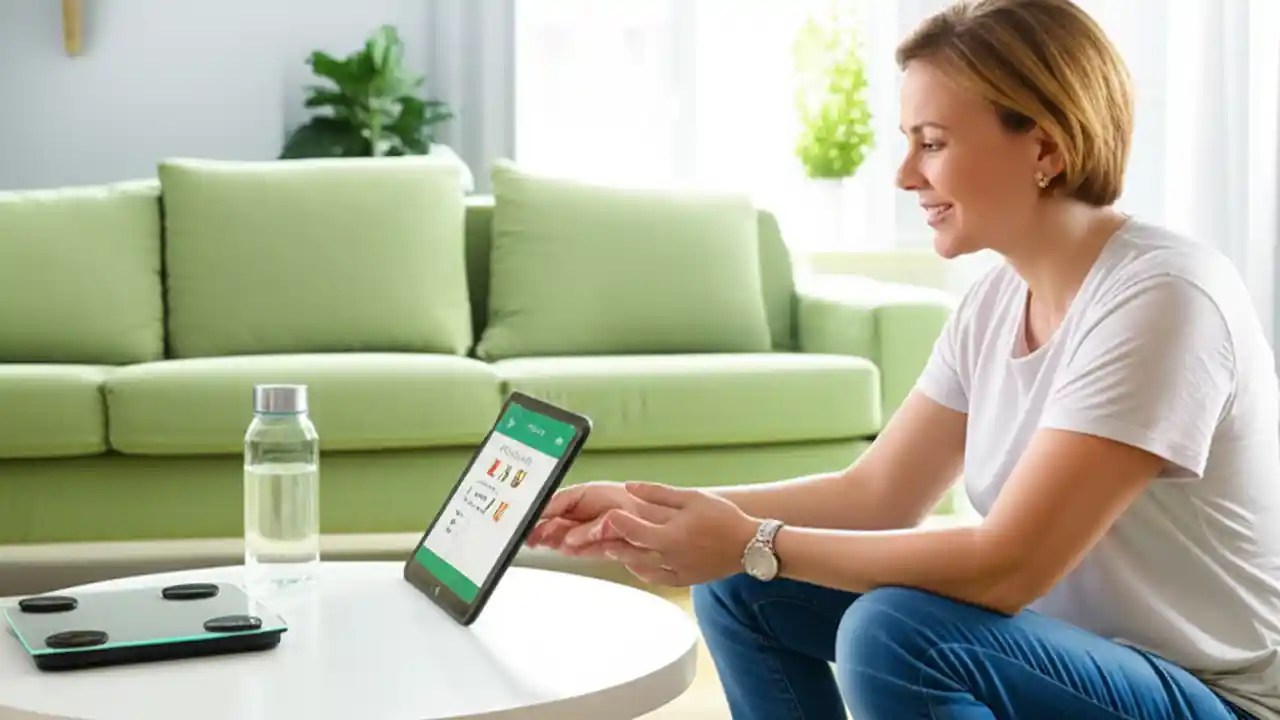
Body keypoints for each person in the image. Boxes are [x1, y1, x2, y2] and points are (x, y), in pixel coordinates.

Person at [525, 0, 1280, 717]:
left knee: (895, 633)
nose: (904, 173)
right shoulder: (994, 301)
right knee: (737, 584)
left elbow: (1009, 566)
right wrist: (662, 509)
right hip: (1062, 655)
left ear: (1046, 147)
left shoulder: (1164, 298)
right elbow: (877, 493)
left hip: (1211, 696)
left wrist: (751, 539)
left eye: (933, 141)